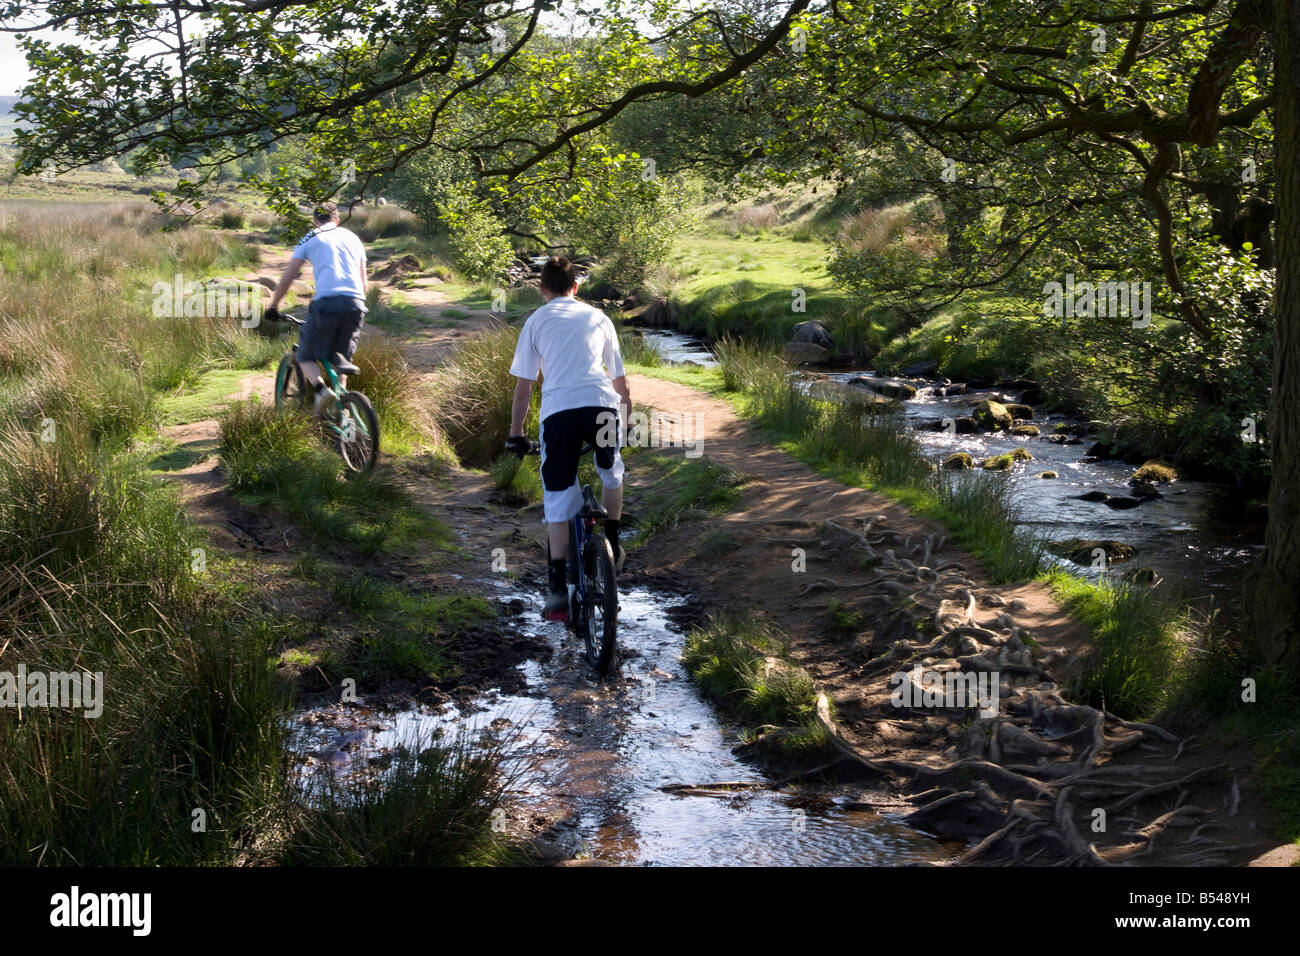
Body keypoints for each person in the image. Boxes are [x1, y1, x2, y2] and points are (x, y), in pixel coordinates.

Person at [506, 256, 631, 622]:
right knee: (612, 472)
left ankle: (558, 591)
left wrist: (516, 434)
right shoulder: (599, 318)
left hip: (560, 415)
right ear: (576, 287)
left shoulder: (535, 321)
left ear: (542, 288)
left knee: (558, 500)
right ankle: (613, 543)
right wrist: (625, 423)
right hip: (603, 409)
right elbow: (620, 382)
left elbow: (524, 388)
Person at [267, 202, 369, 415]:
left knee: (304, 354)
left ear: (315, 220)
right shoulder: (353, 238)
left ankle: (322, 392)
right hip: (356, 303)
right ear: (337, 219)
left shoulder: (311, 236)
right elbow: (364, 282)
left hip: (327, 303)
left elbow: (289, 276)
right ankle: (344, 410)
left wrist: (274, 305)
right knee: (341, 358)